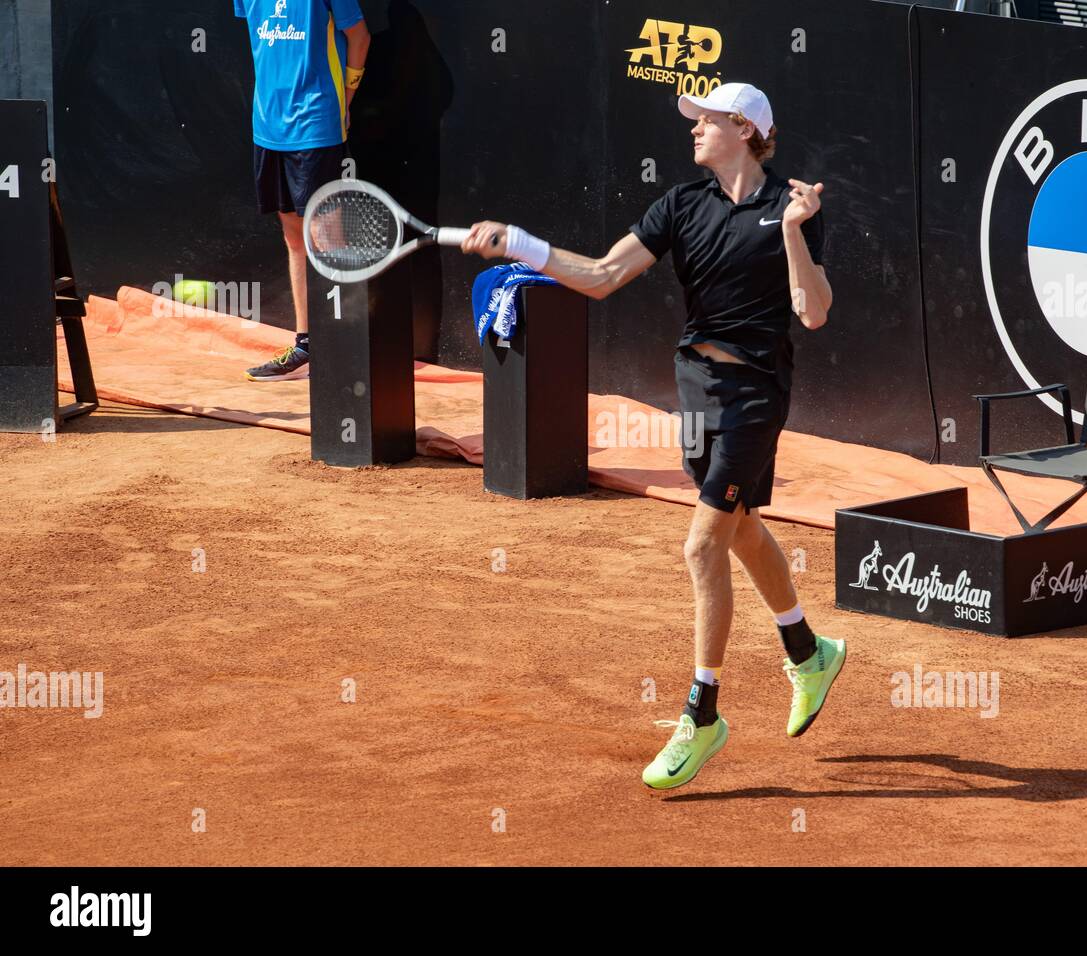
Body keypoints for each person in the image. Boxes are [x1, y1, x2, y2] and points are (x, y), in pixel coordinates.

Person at [461, 82, 847, 790]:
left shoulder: (789, 207)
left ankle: (702, 716)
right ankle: (809, 651)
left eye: (705, 121)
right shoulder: (680, 204)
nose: (692, 130)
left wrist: (795, 231)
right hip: (697, 390)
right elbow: (605, 275)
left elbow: (813, 313)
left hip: (757, 393)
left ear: (742, 128)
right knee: (738, 528)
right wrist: (520, 245)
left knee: (701, 544)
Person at [235, 0, 370, 381]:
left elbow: (359, 36)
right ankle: (307, 347)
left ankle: (344, 350)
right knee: (294, 236)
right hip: (267, 126)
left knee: (327, 238)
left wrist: (348, 93)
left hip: (316, 121)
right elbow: (263, 45)